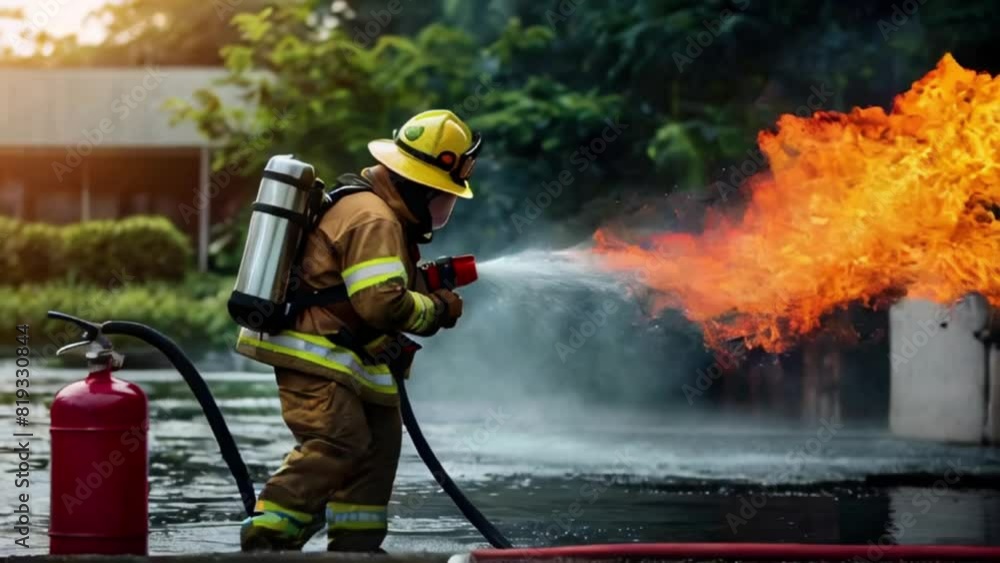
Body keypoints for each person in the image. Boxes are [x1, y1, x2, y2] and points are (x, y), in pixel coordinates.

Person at [235, 109, 481, 552]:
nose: (449, 205)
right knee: (338, 441)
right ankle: (267, 536)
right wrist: (437, 310)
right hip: (318, 352)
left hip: (352, 357)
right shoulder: (375, 218)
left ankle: (357, 546)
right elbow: (381, 302)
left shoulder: (383, 216)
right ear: (422, 188)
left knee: (377, 451)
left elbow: (369, 285)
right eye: (446, 194)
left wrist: (430, 281)